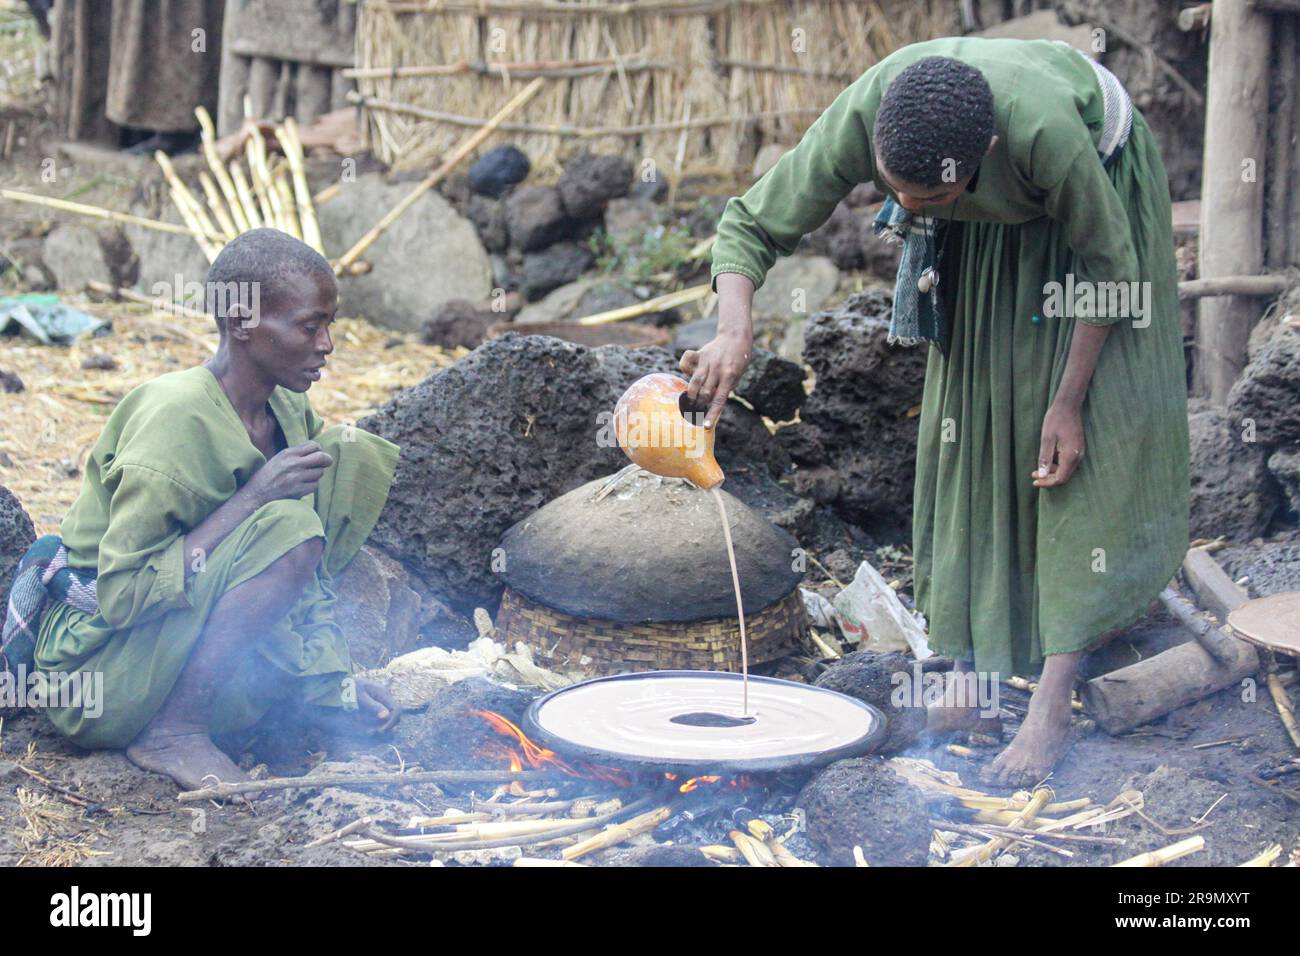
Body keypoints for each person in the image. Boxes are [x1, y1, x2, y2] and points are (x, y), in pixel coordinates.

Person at [687, 37, 1189, 786]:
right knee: (974, 429)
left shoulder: (1046, 133)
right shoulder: (873, 112)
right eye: (898, 195)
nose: (908, 213)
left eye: (926, 203)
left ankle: (1052, 699)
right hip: (984, 222)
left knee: (1075, 452)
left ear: (981, 154)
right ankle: (975, 675)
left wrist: (1067, 400)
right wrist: (733, 329)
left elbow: (1110, 273)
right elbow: (752, 223)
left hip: (1092, 200)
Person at [23, 229, 400, 791]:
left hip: (177, 651)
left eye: (330, 325)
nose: (327, 344)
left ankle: (226, 708)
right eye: (308, 325)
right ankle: (174, 731)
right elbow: (121, 597)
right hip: (103, 671)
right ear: (241, 322)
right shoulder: (174, 420)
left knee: (342, 463)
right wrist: (253, 498)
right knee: (286, 528)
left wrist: (330, 681)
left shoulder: (288, 408)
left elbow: (309, 572)